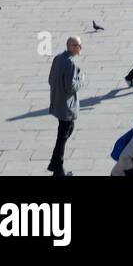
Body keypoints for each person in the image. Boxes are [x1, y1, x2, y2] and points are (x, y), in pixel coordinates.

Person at [48, 35, 83, 177]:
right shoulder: (71, 64)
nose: (81, 48)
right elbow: (71, 87)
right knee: (62, 136)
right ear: (71, 47)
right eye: (78, 45)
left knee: (64, 132)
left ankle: (55, 163)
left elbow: (50, 79)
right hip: (66, 106)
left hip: (57, 102)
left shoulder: (57, 58)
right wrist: (81, 79)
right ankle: (58, 168)